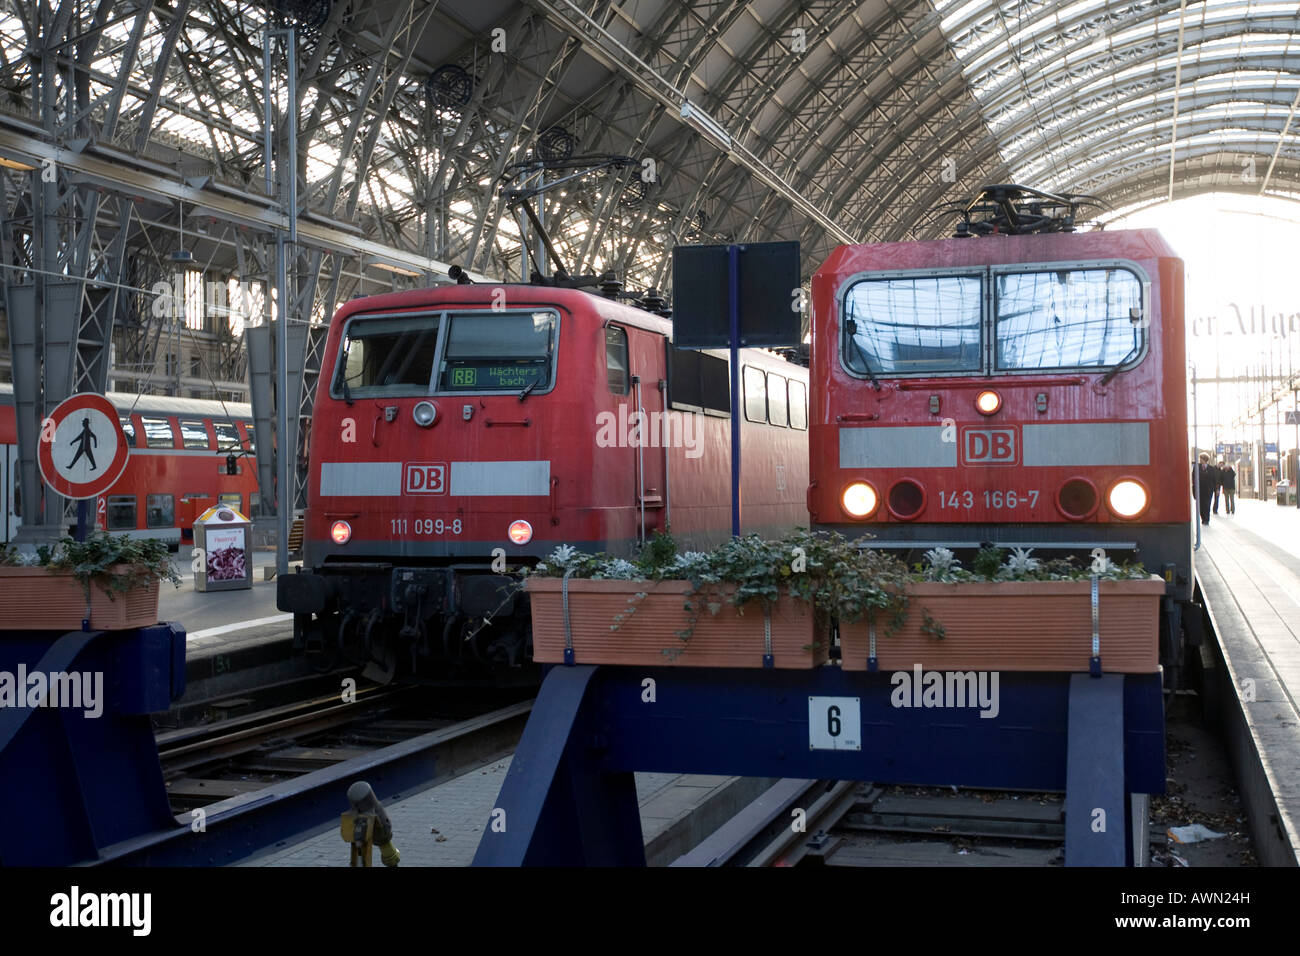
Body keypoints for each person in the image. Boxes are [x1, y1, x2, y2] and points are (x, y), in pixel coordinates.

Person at [1193, 453, 1215, 525]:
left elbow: (1214, 479)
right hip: (1199, 490)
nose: (1200, 460)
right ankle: (1203, 517)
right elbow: (1193, 477)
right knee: (1200, 506)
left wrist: (1216, 489)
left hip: (1208, 490)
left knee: (1207, 505)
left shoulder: (1211, 469)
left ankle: (1206, 520)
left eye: (1201, 459)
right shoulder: (1196, 467)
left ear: (1205, 460)